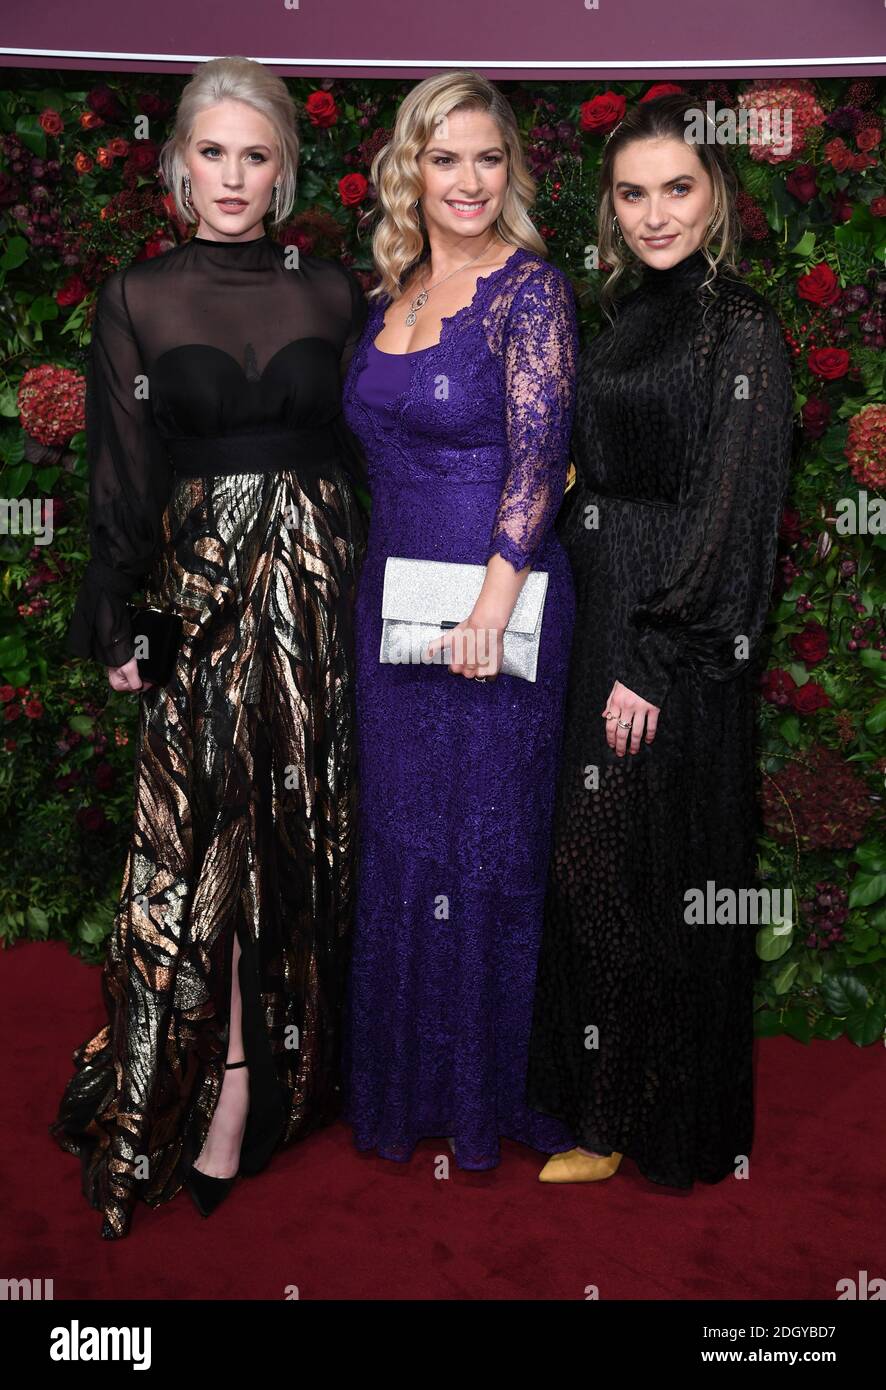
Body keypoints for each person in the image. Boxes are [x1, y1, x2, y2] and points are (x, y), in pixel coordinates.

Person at [50, 56, 368, 1237]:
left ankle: (286, 1066)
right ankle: (223, 1073)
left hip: (319, 588)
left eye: (256, 154)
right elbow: (121, 473)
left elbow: (373, 447)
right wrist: (123, 609)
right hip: (197, 588)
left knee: (294, 829)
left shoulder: (333, 290)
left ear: (282, 169)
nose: (232, 176)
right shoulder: (135, 297)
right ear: (178, 163)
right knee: (199, 835)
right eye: (212, 152)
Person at [526, 94, 795, 1186]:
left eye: (676, 187)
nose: (653, 213)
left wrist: (652, 652)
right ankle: (602, 1095)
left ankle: (635, 1117)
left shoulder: (744, 327)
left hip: (669, 637)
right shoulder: (622, 309)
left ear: (718, 192)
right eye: (632, 192)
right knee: (602, 871)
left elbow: (730, 513)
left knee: (626, 868)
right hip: (597, 607)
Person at [341, 71, 578, 1169]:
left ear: (509, 169)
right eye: (445, 159)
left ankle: (481, 1099)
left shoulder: (530, 290)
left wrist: (493, 603)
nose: (469, 180)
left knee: (487, 845)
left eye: (488, 158)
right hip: (392, 608)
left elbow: (541, 452)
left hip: (497, 603)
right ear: (411, 171)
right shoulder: (389, 290)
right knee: (402, 840)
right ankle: (401, 1089)